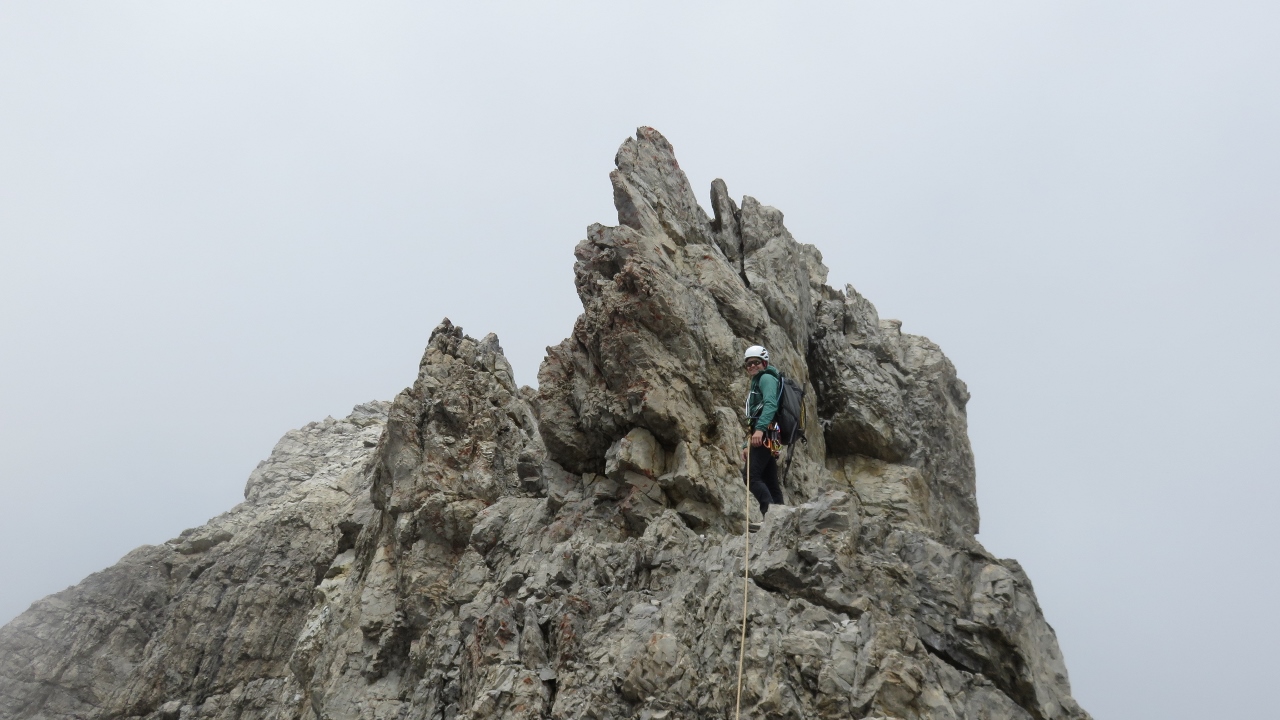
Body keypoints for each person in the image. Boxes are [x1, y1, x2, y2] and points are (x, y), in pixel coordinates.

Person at [741, 345, 785, 516]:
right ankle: (782, 517)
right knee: (769, 480)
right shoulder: (758, 381)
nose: (752, 366)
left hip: (766, 432)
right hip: (770, 434)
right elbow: (755, 415)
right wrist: (747, 444)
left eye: (756, 362)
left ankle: (770, 516)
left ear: (764, 363)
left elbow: (770, 404)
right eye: (748, 364)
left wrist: (759, 431)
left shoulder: (766, 378)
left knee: (750, 477)